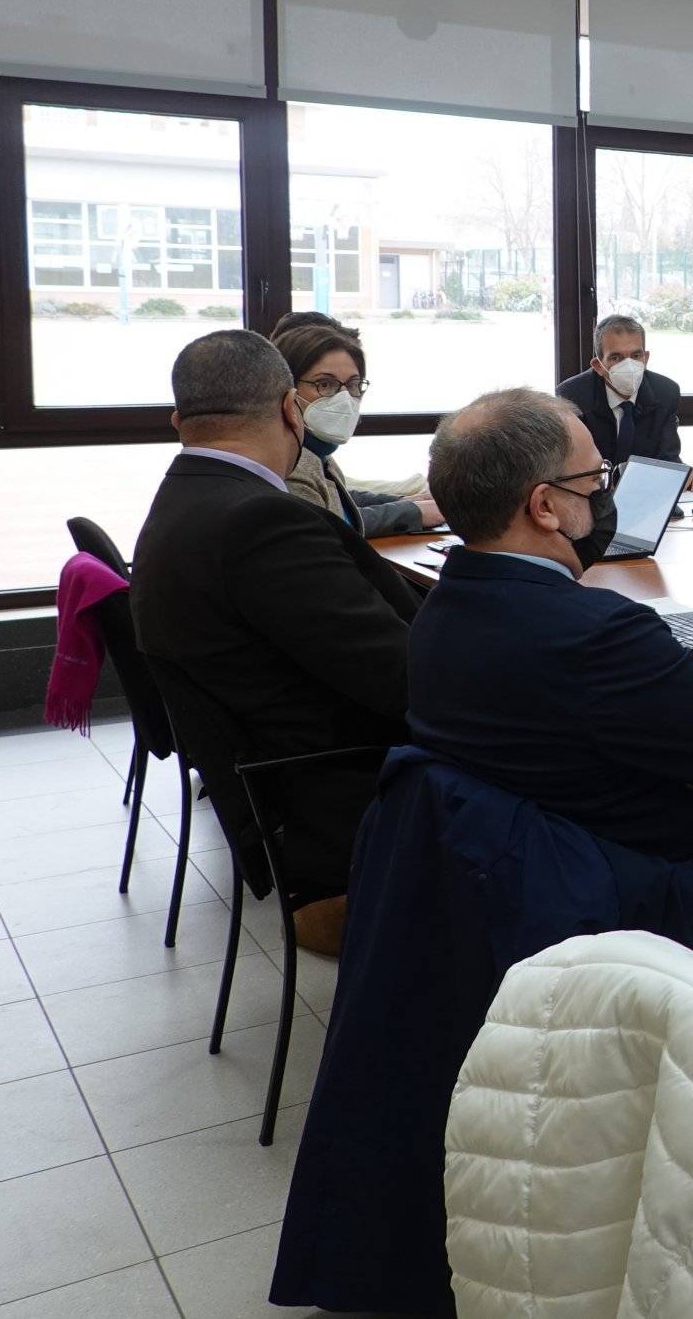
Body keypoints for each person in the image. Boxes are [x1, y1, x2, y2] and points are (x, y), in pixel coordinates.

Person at [403, 389, 693, 972]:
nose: (605, 498)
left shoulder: (439, 612)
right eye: (594, 483)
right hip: (671, 901)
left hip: (535, 886)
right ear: (543, 506)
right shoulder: (592, 635)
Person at [130, 331, 418, 946]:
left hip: (291, 784)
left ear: (179, 421)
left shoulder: (184, 498)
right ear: (292, 407)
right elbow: (405, 680)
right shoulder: (260, 520)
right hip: (347, 803)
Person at [270, 324, 437, 535]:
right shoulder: (288, 464)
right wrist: (412, 512)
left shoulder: (319, 454)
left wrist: (401, 501)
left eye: (352, 385)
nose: (344, 398)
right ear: (287, 390)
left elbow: (337, 499)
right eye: (325, 384)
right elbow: (332, 528)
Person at [557, 315, 693, 488]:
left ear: (645, 359)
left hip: (644, 494)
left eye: (636, 356)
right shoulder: (573, 395)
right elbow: (573, 467)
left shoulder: (665, 392)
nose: (629, 366)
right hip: (593, 496)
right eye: (616, 358)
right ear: (598, 366)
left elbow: (667, 457)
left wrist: (682, 473)